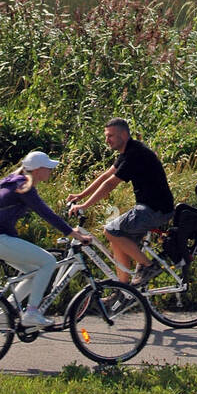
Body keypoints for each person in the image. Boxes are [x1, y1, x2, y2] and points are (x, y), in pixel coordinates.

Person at [0, 150, 92, 328]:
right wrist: (75, 234)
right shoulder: (24, 187)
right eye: (48, 167)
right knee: (48, 261)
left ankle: (3, 312)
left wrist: (70, 231)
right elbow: (46, 214)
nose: (50, 171)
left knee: (32, 272)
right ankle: (31, 313)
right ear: (38, 169)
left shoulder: (16, 180)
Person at [67, 119, 174, 284]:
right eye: (106, 135)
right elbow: (105, 176)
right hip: (149, 208)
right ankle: (122, 290)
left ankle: (148, 266)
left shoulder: (135, 154)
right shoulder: (128, 151)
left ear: (124, 135)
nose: (107, 140)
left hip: (155, 210)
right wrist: (80, 195)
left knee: (110, 230)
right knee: (116, 240)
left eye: (110, 136)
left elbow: (110, 184)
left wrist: (84, 205)